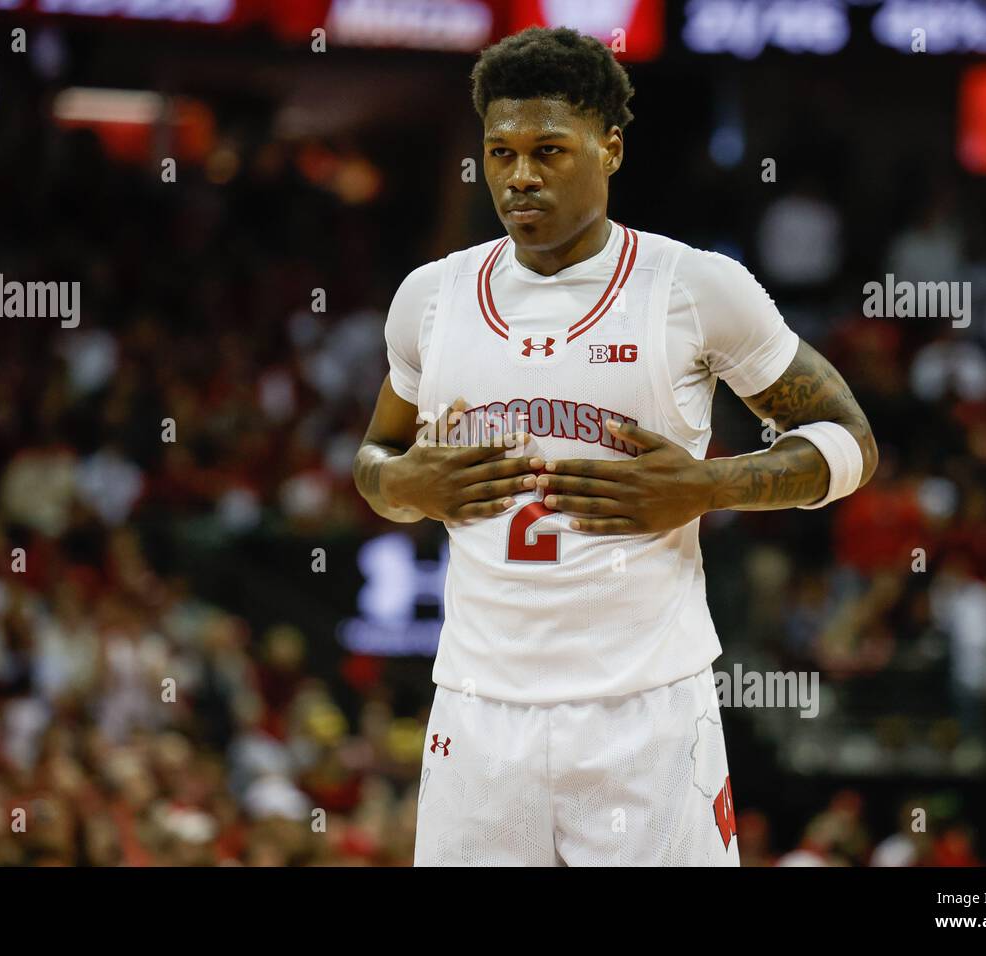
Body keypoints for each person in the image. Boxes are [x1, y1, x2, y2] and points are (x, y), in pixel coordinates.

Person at [352, 26, 877, 866]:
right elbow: (373, 465)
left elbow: (849, 441)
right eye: (500, 152)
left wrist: (709, 487)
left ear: (612, 148)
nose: (520, 175)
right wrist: (408, 482)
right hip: (478, 710)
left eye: (549, 150)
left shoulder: (694, 286)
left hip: (648, 711)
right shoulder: (431, 297)